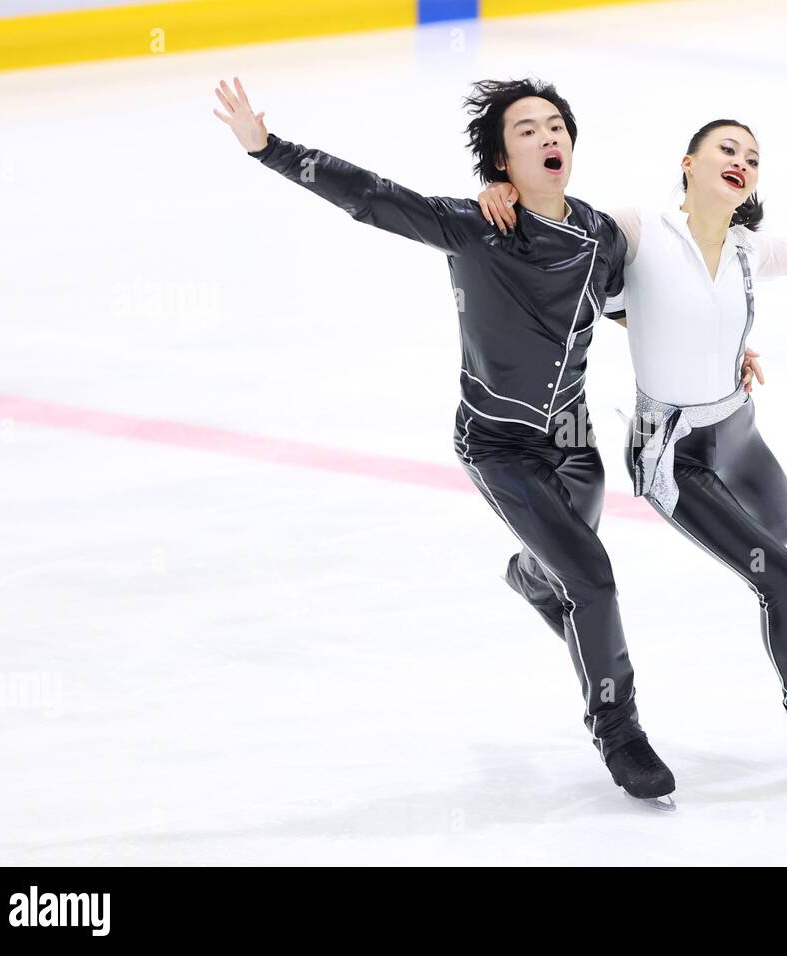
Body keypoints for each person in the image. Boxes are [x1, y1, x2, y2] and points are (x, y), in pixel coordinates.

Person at [211, 75, 740, 808]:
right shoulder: (473, 225)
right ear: (501, 162)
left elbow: (646, 306)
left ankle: (530, 576)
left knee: (564, 569)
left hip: (573, 438)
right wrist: (269, 149)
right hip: (498, 444)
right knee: (590, 577)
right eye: (527, 130)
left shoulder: (600, 236)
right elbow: (372, 196)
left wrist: (724, 351)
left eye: (556, 125)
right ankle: (618, 730)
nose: (549, 136)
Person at [478, 118, 787, 780]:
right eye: (728, 150)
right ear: (689, 164)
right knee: (783, 579)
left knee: (782, 532)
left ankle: (534, 575)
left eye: (753, 158)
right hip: (670, 450)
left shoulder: (745, 249)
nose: (742, 162)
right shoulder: (641, 230)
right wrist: (502, 192)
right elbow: (567, 230)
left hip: (735, 432)